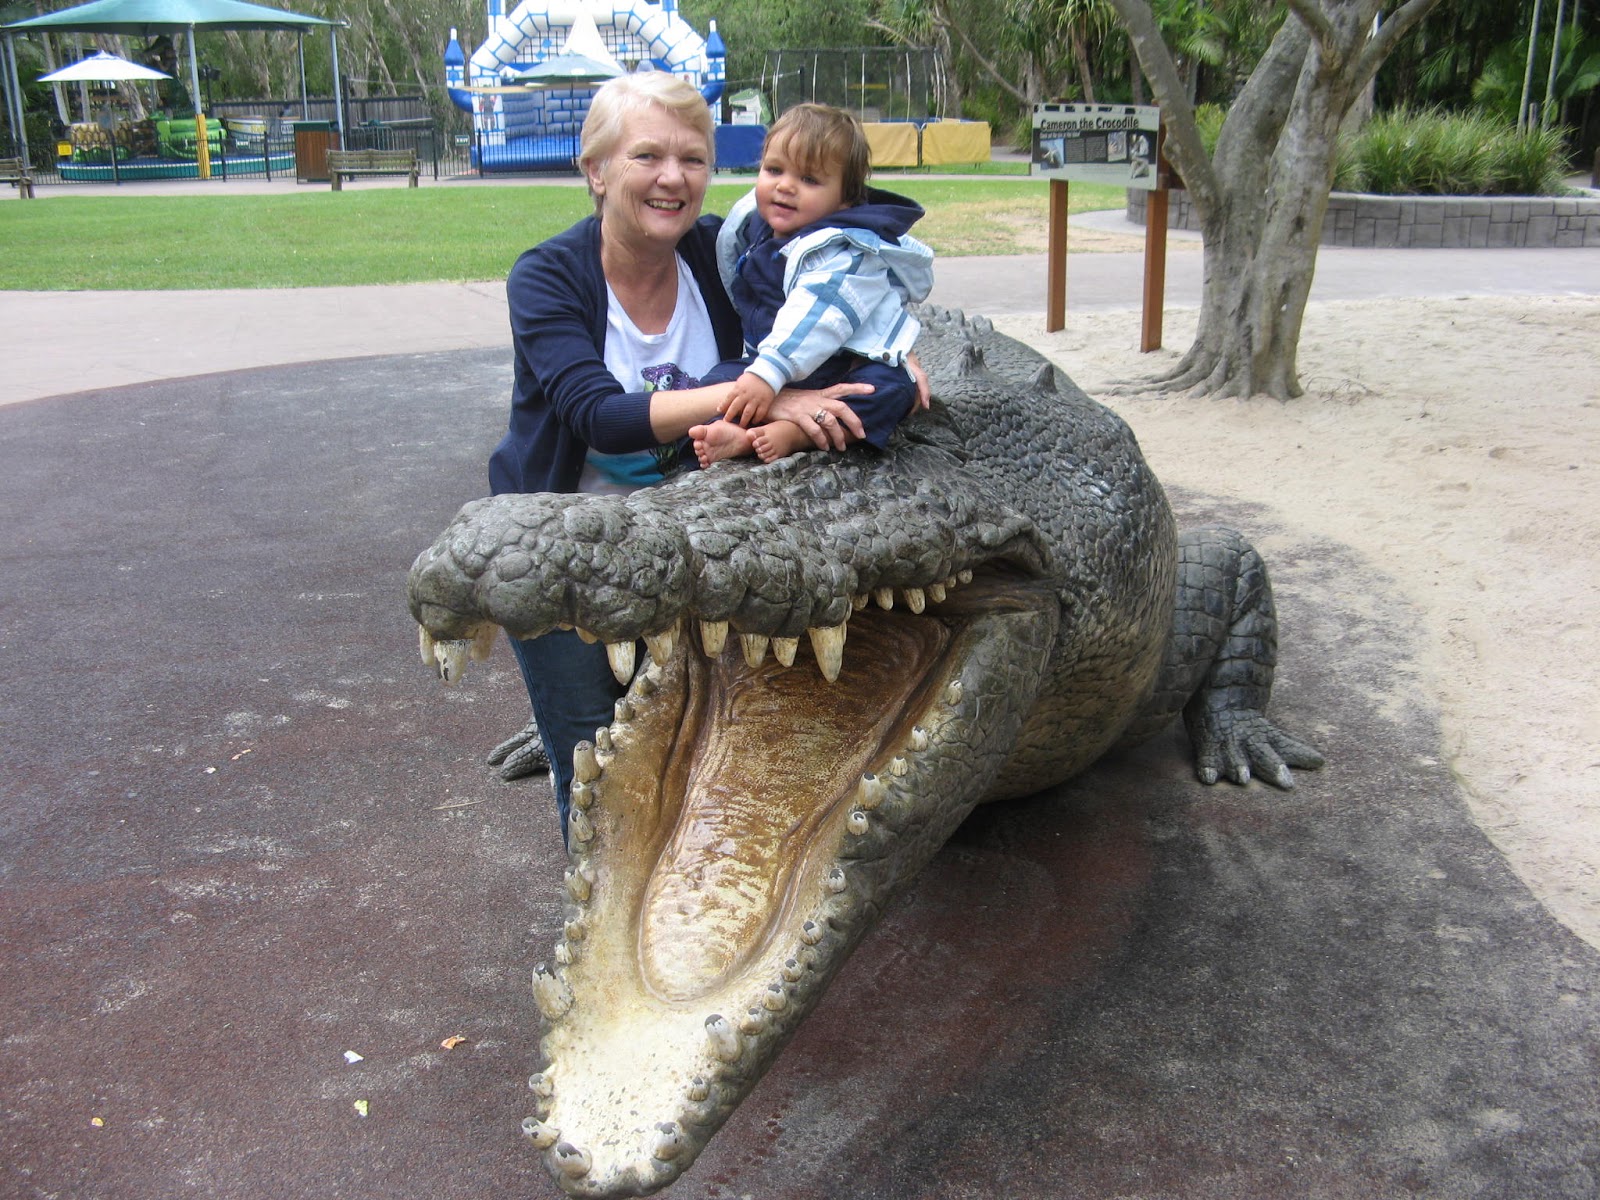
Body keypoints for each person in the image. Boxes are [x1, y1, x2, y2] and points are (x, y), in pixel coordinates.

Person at [485, 73, 883, 838]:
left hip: (697, 540)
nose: (673, 178)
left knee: (707, 754)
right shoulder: (547, 275)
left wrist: (896, 354)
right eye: (647, 156)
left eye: (693, 159)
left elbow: (845, 285)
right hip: (565, 551)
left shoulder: (725, 254)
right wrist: (764, 391)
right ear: (596, 170)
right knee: (601, 781)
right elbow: (598, 416)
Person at [689, 104, 935, 466]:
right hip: (774, 364)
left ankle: (797, 434)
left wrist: (767, 373)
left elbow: (815, 315)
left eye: (810, 180)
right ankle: (742, 436)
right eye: (774, 170)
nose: (785, 186)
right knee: (714, 384)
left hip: (841, 365)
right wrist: (761, 372)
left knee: (893, 388)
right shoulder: (758, 226)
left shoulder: (838, 251)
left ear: (844, 200)